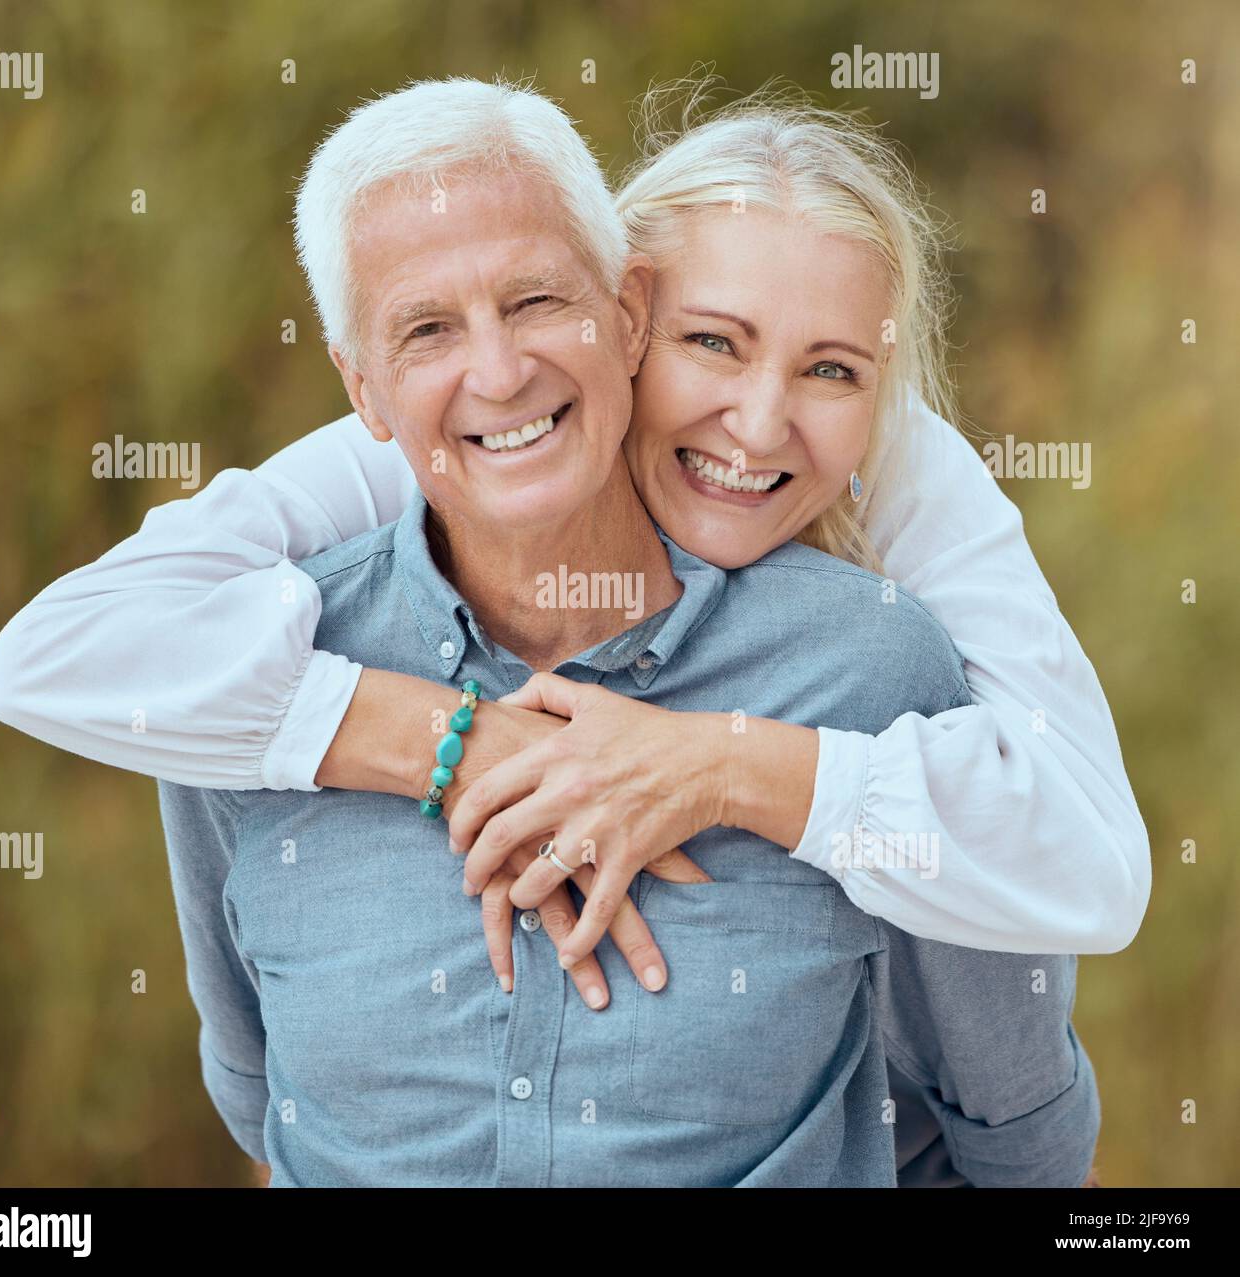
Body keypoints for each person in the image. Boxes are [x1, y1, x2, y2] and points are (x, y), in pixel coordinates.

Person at [147, 78, 1095, 1186]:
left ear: (621, 312)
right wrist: (442, 739)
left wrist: (730, 764)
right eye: (428, 326)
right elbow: (269, 1101)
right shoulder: (249, 667)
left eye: (537, 301)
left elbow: (1010, 1116)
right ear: (361, 387)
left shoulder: (868, 665)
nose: (498, 372)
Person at [0, 90, 1150, 973]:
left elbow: (1095, 865)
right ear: (625, 318)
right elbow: (57, 650)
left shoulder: (896, 473)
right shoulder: (483, 421)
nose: (758, 420)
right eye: (712, 341)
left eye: (830, 366)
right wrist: (446, 737)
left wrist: (720, 765)